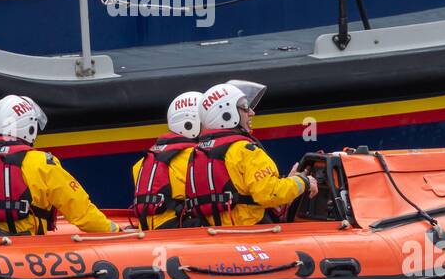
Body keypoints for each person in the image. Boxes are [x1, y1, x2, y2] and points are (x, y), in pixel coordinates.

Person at [0, 95, 120, 235]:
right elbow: (82, 212)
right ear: (29, 128)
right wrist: (114, 231)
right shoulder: (43, 164)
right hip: (29, 248)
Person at [184, 80, 319, 227]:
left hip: (214, 234)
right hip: (249, 233)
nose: (251, 112)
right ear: (226, 114)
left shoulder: (197, 152)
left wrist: (287, 181)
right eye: (245, 107)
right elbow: (269, 193)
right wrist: (303, 181)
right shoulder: (245, 151)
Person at [131, 91, 203, 230]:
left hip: (147, 230)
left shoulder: (142, 162)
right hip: (180, 231)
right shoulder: (194, 158)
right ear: (190, 124)